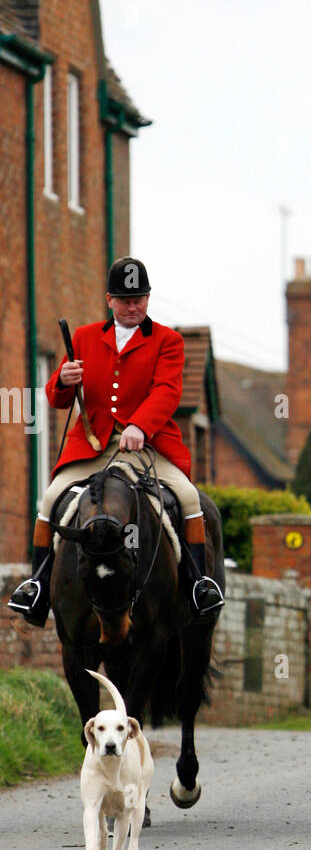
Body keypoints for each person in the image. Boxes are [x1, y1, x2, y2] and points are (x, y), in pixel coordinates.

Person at [8, 256, 224, 626]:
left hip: (148, 444)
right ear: (110, 300)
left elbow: (168, 391)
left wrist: (140, 425)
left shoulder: (167, 341)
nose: (133, 306)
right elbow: (58, 400)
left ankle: (196, 584)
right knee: (49, 499)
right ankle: (38, 585)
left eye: (139, 298)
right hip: (92, 445)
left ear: (149, 298)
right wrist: (64, 378)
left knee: (188, 497)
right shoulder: (85, 337)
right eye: (125, 300)